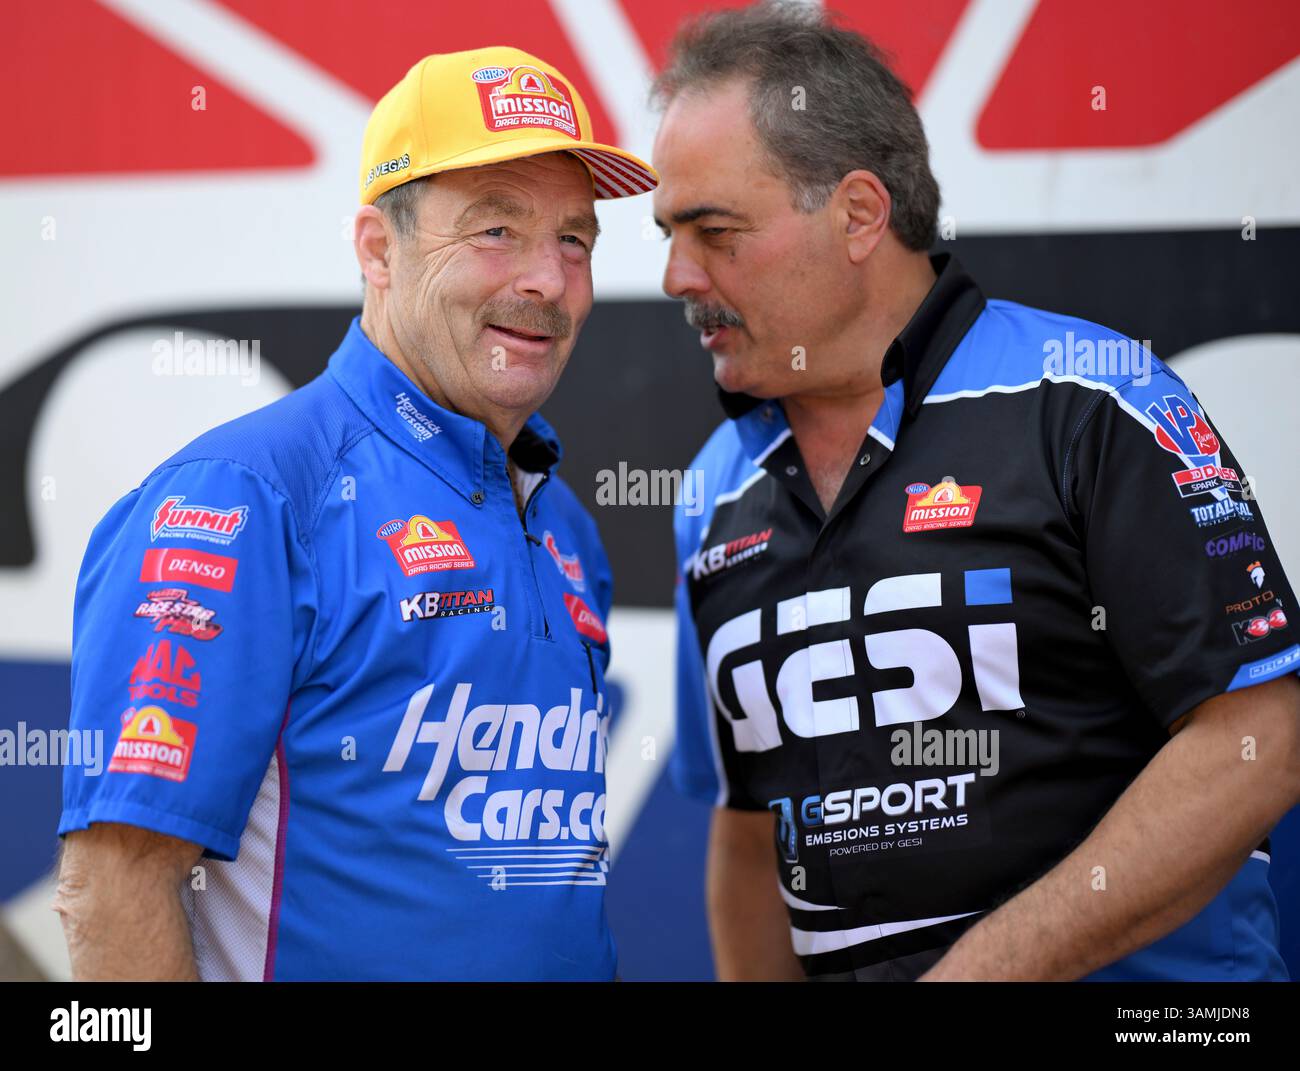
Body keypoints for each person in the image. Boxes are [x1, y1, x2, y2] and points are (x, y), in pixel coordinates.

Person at [654, 2, 1300, 981]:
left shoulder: (1090, 397)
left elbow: (1259, 735)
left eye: (713, 231)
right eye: (669, 233)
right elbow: (748, 834)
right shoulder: (711, 487)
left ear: (860, 214)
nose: (673, 275)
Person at [53, 45, 656, 981]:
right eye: (496, 228)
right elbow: (115, 883)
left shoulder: (563, 522)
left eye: (574, 239)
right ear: (379, 248)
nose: (548, 279)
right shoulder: (244, 497)